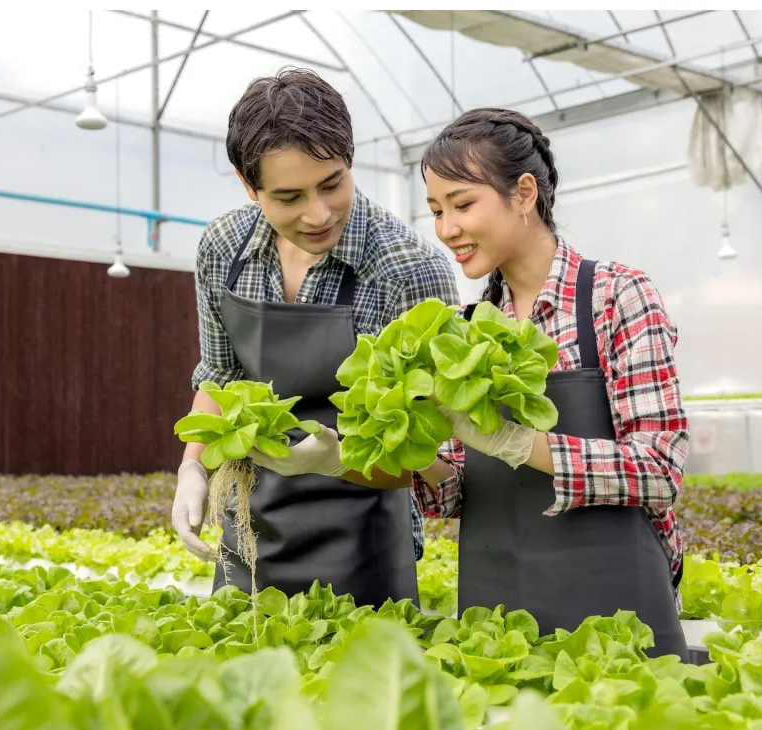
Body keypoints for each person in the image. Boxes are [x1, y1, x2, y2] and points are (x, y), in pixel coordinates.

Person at [270, 107, 690, 660]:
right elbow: (453, 491)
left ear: (523, 193)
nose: (447, 230)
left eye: (463, 205)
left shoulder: (614, 297)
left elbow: (660, 470)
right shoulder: (459, 331)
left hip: (617, 615)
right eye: (437, 211)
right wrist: (346, 459)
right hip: (498, 620)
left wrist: (522, 443)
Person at [171, 68, 460, 608]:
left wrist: (333, 460)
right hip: (252, 529)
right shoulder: (224, 249)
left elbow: (435, 451)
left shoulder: (408, 268)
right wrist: (192, 467)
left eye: (332, 184)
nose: (318, 214)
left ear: (351, 160)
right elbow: (221, 375)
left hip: (364, 536)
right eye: (288, 196)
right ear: (247, 184)